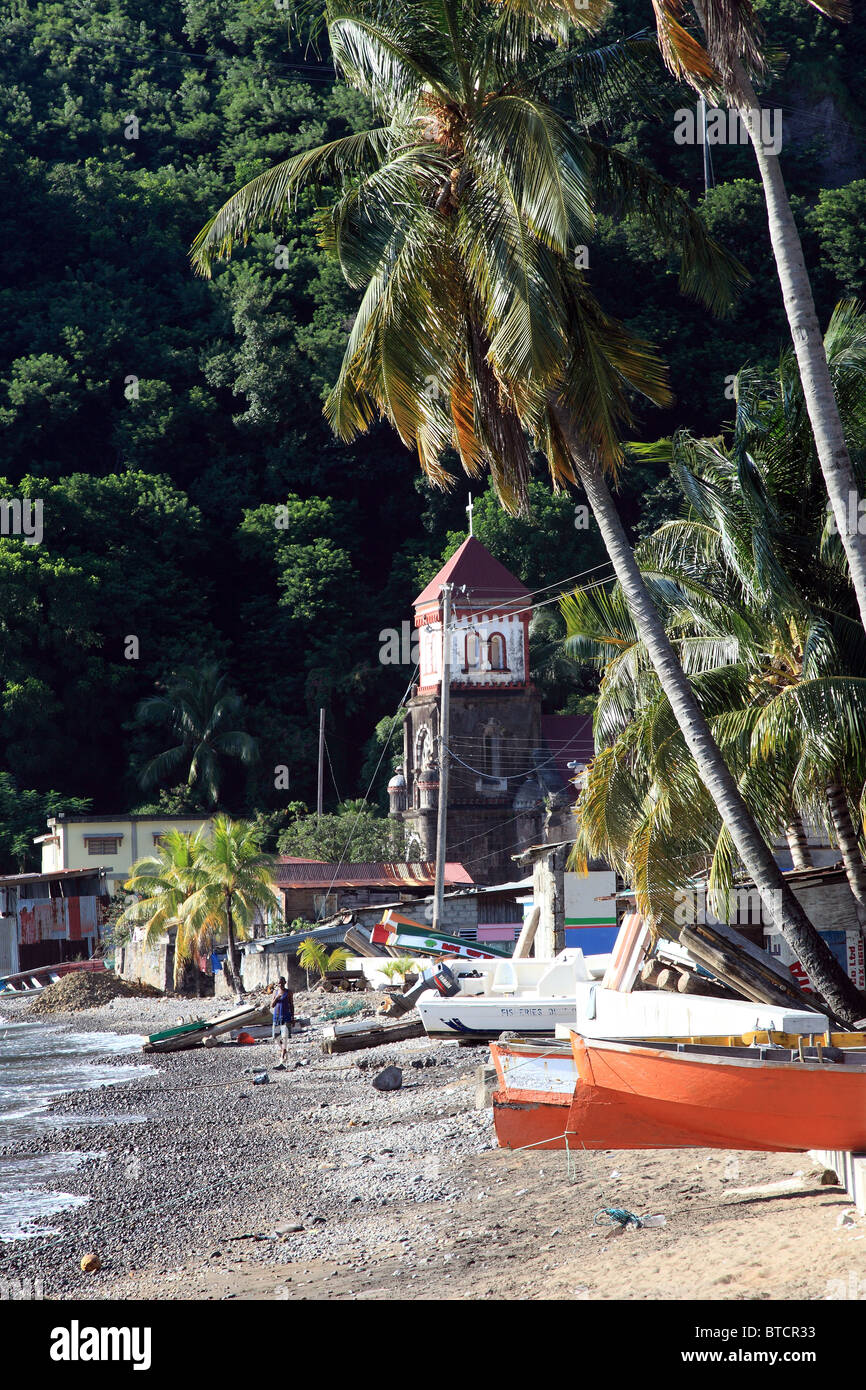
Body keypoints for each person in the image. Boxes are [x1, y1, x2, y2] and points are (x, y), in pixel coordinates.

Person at [271, 977, 294, 1063]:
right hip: (276, 1017)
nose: (280, 985)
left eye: (282, 983)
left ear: (285, 982)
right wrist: (276, 997)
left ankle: (283, 1054)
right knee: (276, 1037)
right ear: (277, 984)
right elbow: (272, 1005)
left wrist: (292, 1017)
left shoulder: (289, 992)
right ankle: (283, 1049)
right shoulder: (275, 992)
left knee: (285, 1037)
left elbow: (291, 1005)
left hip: (286, 1017)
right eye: (279, 983)